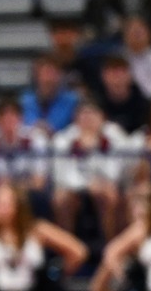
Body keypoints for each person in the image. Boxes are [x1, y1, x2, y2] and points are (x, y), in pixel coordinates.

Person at [52, 100, 130, 240]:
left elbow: (115, 173)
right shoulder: (63, 139)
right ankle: (67, 250)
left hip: (105, 184)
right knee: (60, 198)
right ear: (75, 118)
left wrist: (94, 148)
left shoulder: (115, 135)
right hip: (74, 188)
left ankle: (109, 245)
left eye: (93, 115)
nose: (88, 120)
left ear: (102, 117)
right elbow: (61, 176)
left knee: (109, 194)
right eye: (83, 115)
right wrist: (86, 185)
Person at [0, 95, 51, 203]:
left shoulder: (35, 139)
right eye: (3, 117)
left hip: (28, 194)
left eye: (12, 116)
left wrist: (13, 186)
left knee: (40, 199)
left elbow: (39, 182)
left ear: (21, 118)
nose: (8, 122)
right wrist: (0, 187)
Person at [92, 54, 151, 132]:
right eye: (112, 72)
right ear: (103, 76)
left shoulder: (143, 103)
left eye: (121, 72)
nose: (117, 78)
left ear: (130, 75)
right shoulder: (94, 103)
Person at [22, 56, 78, 134]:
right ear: (37, 76)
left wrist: (50, 128)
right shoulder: (25, 100)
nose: (49, 79)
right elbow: (26, 123)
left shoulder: (72, 100)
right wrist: (37, 126)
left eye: (53, 73)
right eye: (46, 73)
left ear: (59, 76)